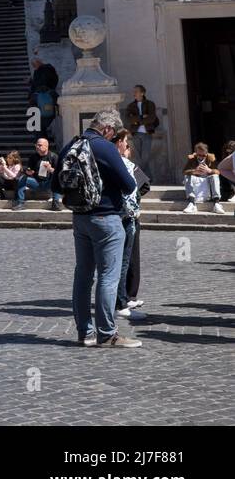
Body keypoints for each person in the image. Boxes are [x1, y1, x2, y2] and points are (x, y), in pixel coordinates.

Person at [52, 110, 142, 347]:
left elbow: (55, 184)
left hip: (80, 218)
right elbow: (129, 183)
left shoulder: (70, 145)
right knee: (108, 277)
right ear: (108, 130)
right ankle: (107, 334)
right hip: (106, 218)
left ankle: (85, 333)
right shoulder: (105, 148)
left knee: (82, 276)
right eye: (114, 135)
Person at [112, 131, 148, 325]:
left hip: (114, 215)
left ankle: (121, 300)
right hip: (125, 216)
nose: (128, 147)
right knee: (122, 261)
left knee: (114, 262)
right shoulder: (122, 163)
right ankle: (121, 303)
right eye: (126, 143)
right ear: (118, 143)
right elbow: (136, 187)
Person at [121, 85, 160, 180]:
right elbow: (127, 119)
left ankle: (143, 178)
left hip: (147, 134)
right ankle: (148, 178)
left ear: (142, 93)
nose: (134, 93)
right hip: (135, 134)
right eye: (134, 91)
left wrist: (137, 120)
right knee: (139, 157)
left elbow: (152, 118)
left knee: (145, 157)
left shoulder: (150, 104)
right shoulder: (131, 106)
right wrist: (142, 117)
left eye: (136, 91)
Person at [19, 137, 62, 210]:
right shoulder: (33, 157)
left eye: (40, 145)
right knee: (22, 178)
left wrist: (50, 169)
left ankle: (56, 204)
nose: (37, 147)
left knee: (57, 178)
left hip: (49, 184)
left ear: (46, 146)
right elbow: (28, 169)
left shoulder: (53, 156)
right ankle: (20, 203)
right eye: (36, 145)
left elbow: (60, 173)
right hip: (36, 182)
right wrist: (28, 172)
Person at [182, 142, 221, 213]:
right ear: (196, 153)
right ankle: (192, 203)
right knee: (187, 176)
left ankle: (217, 203)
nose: (201, 157)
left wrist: (210, 170)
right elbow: (184, 171)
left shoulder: (211, 158)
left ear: (206, 153)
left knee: (215, 176)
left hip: (208, 179)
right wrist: (194, 171)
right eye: (199, 155)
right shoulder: (192, 159)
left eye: (203, 155)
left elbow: (218, 171)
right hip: (196, 179)